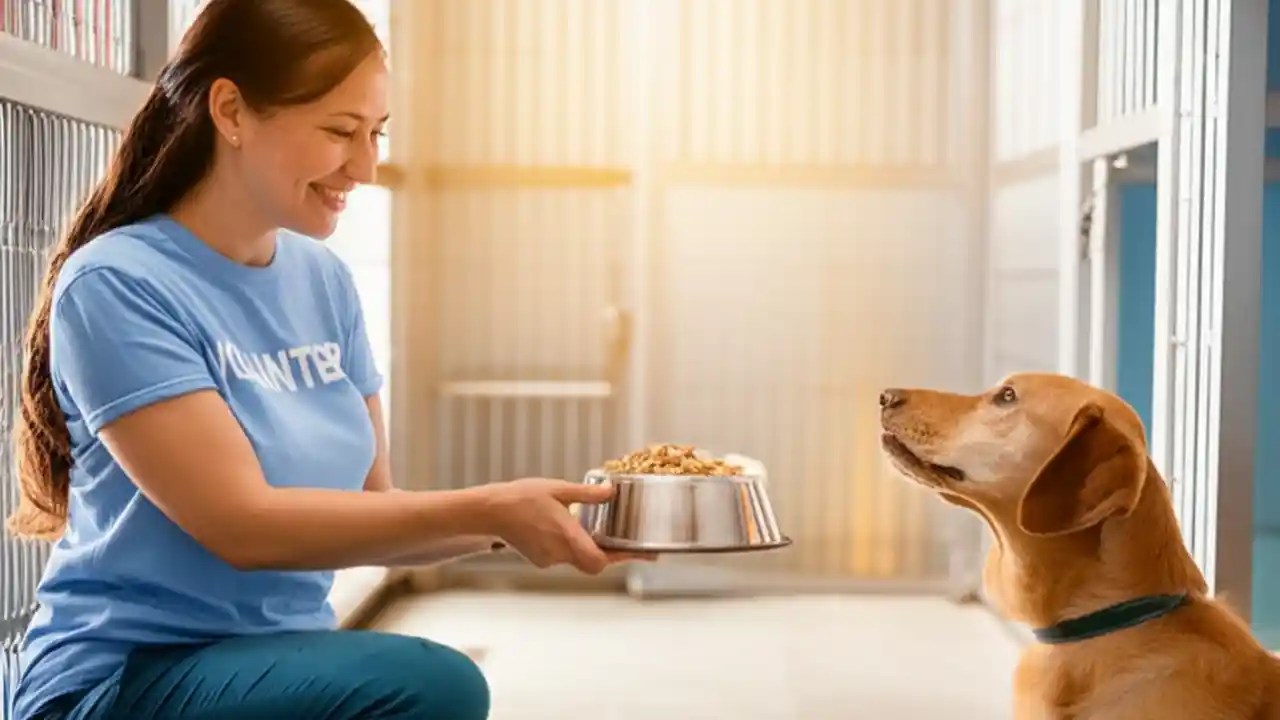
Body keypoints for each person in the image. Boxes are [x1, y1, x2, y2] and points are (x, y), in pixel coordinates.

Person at [7, 1, 645, 718]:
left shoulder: (323, 281)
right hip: (125, 676)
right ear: (231, 111)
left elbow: (374, 512)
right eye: (341, 132)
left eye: (376, 134)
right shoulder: (118, 283)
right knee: (435, 683)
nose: (367, 167)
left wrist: (535, 522)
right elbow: (241, 525)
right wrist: (489, 505)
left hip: (276, 660)